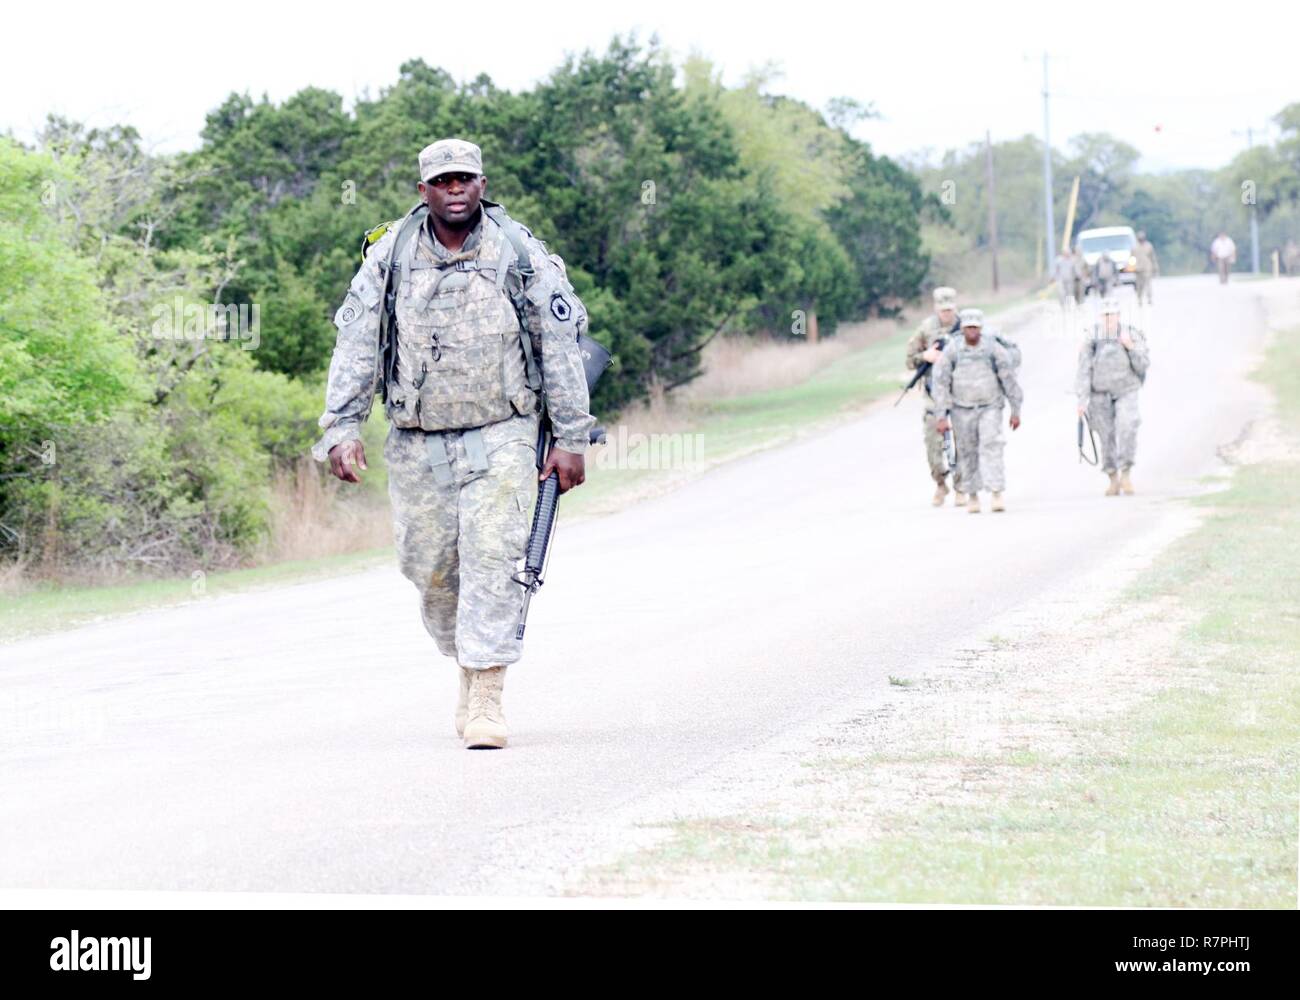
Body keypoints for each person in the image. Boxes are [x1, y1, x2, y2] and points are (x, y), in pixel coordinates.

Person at [313, 138, 596, 750]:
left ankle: (488, 697)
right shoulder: (388, 257)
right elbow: (358, 343)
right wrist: (341, 426)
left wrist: (571, 435)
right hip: (417, 441)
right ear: (424, 191)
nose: (455, 189)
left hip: (503, 433)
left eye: (465, 178)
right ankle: (467, 664)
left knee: (495, 560)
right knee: (432, 571)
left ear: (482, 182)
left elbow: (559, 342)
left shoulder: (518, 251)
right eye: (442, 181)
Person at [932, 309, 1023, 513]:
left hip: (990, 406)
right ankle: (972, 495)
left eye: (975, 327)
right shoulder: (953, 350)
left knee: (992, 446)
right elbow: (941, 382)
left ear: (981, 329)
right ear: (963, 329)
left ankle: (996, 492)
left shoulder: (993, 349)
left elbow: (1008, 379)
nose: (972, 331)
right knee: (967, 452)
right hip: (961, 410)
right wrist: (941, 415)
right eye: (968, 328)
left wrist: (1015, 410)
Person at [1075, 298, 1150, 496]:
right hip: (1100, 395)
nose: (1109, 319)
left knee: (1127, 427)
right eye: (1105, 315)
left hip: (1126, 391)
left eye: (1112, 315)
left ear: (1118, 316)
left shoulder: (1131, 334)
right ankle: (1112, 477)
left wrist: (1130, 347)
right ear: (1101, 317)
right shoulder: (1092, 338)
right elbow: (1083, 369)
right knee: (1106, 436)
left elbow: (1143, 364)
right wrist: (1082, 400)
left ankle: (1126, 473)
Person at [905, 287, 963, 506]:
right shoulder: (926, 329)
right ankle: (940, 483)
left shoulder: (966, 326)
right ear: (935, 308)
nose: (946, 314)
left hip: (960, 393)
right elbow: (910, 360)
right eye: (942, 310)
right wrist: (925, 356)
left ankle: (961, 487)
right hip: (933, 394)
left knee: (962, 444)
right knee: (933, 444)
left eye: (949, 309)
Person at [1133, 230, 1159, 304]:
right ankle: (1139, 299)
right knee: (1139, 286)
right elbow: (1131, 259)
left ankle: (1149, 298)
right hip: (1138, 269)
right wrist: (1132, 268)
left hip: (1147, 268)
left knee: (1148, 284)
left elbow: (1153, 257)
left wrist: (1155, 268)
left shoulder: (1149, 246)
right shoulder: (1135, 247)